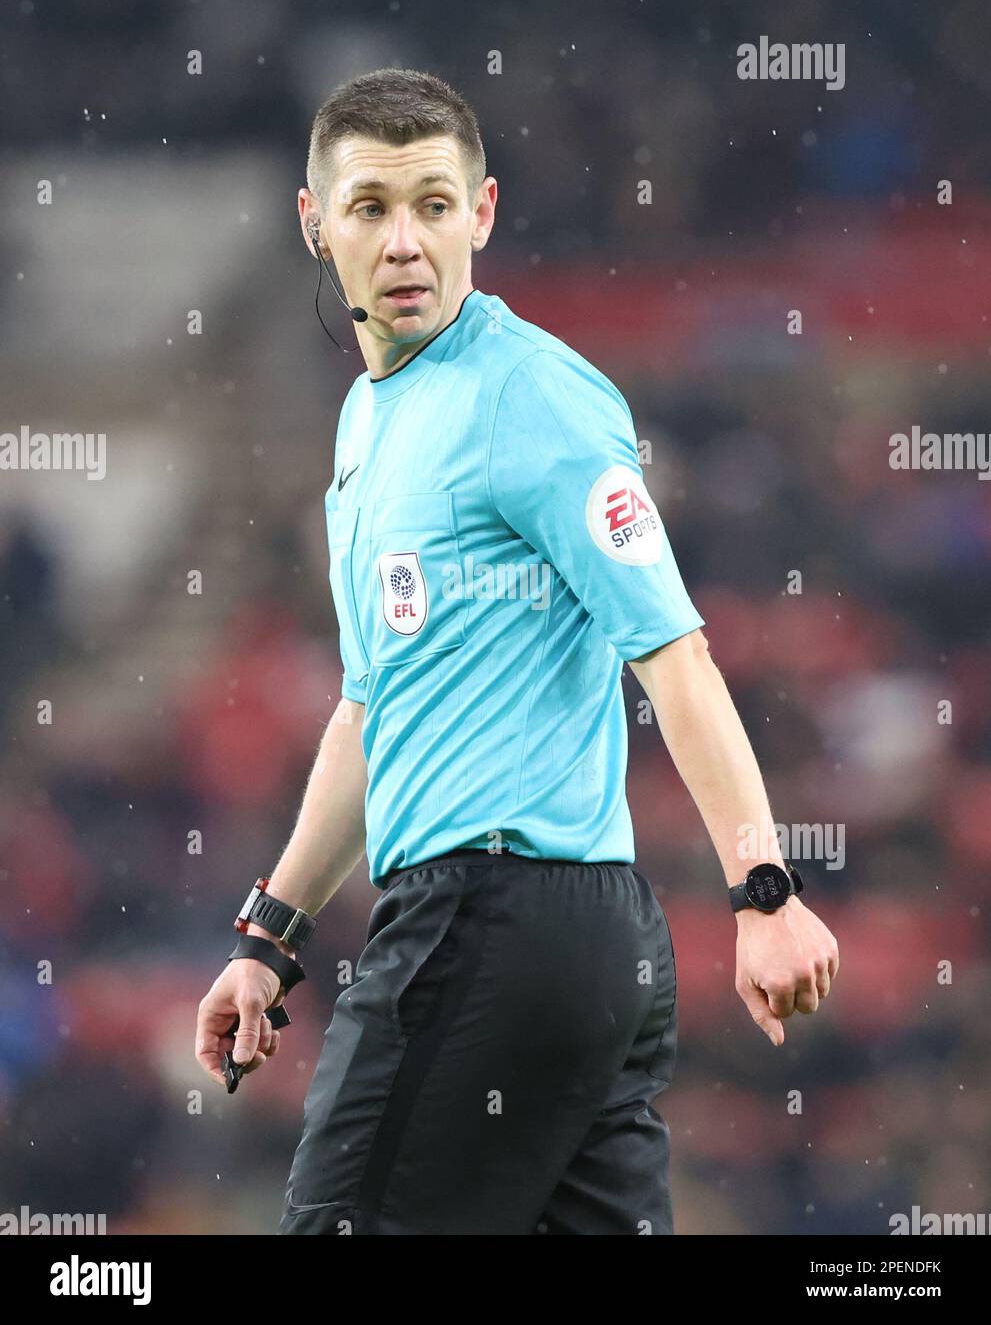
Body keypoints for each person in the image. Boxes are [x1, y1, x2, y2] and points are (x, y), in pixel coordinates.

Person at [195, 67, 839, 1236]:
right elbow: (366, 713)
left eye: (435, 205)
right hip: (576, 956)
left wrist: (764, 889)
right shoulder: (364, 424)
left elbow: (673, 653)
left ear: (481, 214)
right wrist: (268, 938)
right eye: (372, 207)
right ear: (315, 225)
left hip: (491, 923)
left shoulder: (533, 396)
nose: (405, 242)